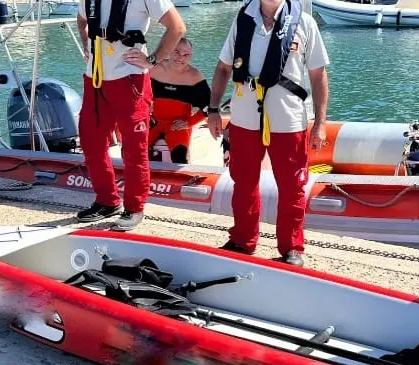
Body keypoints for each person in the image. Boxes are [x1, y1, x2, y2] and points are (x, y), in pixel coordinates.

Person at [206, 0, 330, 267]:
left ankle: (292, 247)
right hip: (244, 119)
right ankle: (242, 240)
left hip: (289, 121)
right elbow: (224, 68)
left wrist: (320, 123)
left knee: (292, 187)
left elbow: (318, 76)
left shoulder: (305, 23)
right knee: (244, 181)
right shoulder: (242, 20)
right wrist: (213, 109)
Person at [74, 0, 187, 231]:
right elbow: (82, 19)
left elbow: (177, 27)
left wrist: (152, 60)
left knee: (134, 149)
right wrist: (86, 44)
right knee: (91, 142)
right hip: (95, 79)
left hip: (130, 80)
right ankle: (107, 201)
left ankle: (134, 207)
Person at [147, 37, 211, 164]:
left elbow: (210, 108)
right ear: (169, 50)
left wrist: (189, 123)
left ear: (190, 56)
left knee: (180, 156)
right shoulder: (153, 69)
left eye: (186, 55)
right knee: (129, 150)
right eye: (177, 52)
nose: (181, 58)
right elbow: (136, 92)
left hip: (177, 126)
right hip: (153, 122)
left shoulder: (195, 77)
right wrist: (145, 106)